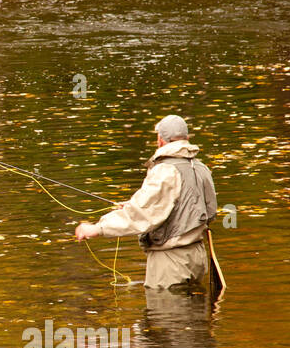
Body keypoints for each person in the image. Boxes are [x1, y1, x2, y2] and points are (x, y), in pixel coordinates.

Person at [74, 115, 218, 290]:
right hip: (197, 259)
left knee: (165, 315)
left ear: (160, 141)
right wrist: (136, 204)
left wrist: (97, 228)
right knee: (192, 315)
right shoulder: (201, 168)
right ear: (187, 139)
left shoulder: (165, 170)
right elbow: (208, 212)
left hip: (170, 264)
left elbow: (142, 215)